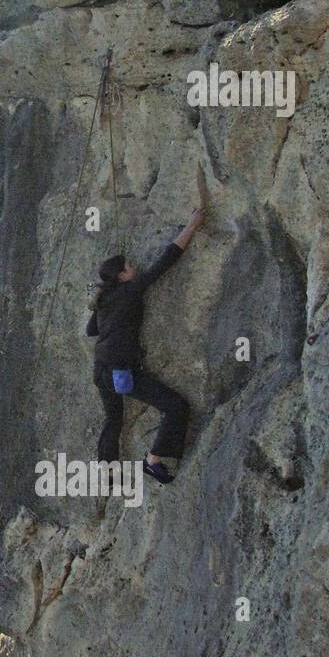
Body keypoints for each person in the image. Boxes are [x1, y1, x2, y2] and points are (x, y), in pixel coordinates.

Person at [85, 206, 206, 484]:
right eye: (129, 267)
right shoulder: (129, 292)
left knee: (113, 419)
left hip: (101, 368)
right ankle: (153, 462)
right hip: (120, 370)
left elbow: (91, 330)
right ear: (122, 276)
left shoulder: (106, 299)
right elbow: (166, 261)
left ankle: (107, 471)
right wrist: (192, 225)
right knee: (176, 406)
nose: (134, 268)